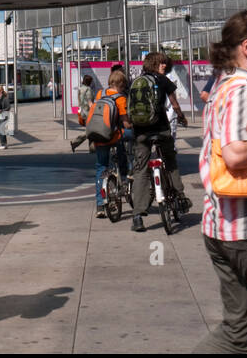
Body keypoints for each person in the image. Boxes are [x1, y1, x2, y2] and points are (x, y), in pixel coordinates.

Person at [195, 10, 247, 353]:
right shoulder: (243, 88)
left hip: (220, 224)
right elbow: (236, 154)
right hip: (245, 227)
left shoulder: (223, 86)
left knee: (239, 329)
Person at [127, 52, 187, 232]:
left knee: (140, 170)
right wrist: (181, 117)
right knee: (170, 161)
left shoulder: (137, 81)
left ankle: (137, 216)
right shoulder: (162, 80)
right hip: (160, 129)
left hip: (140, 132)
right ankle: (180, 196)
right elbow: (174, 104)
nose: (163, 66)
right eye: (161, 63)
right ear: (155, 64)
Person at [90, 69, 130, 217]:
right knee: (128, 141)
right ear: (121, 84)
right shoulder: (120, 98)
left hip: (99, 135)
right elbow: (125, 123)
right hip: (113, 136)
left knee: (101, 167)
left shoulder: (100, 94)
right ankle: (125, 177)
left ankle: (100, 205)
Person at [70, 74, 97, 151]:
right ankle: (75, 142)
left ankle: (92, 148)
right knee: (90, 130)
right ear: (89, 82)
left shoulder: (80, 89)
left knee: (91, 130)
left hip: (82, 112)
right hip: (89, 113)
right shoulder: (88, 89)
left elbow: (80, 100)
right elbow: (90, 102)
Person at [0, 83, 13, 149]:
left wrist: (1, 110)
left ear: (0, 91)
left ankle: (3, 144)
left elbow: (8, 107)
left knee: (0, 129)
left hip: (4, 115)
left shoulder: (5, 98)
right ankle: (4, 144)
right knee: (0, 129)